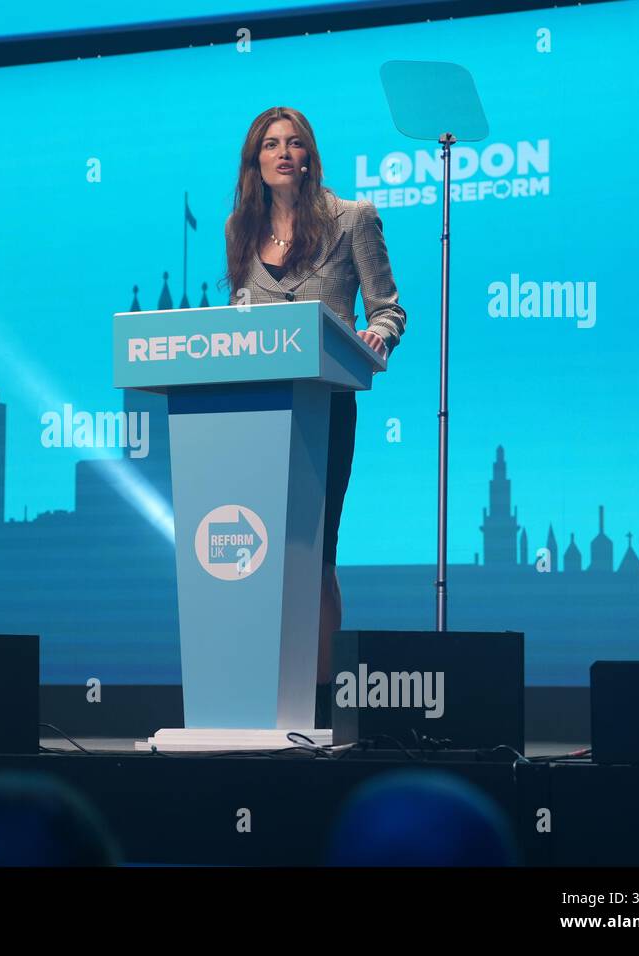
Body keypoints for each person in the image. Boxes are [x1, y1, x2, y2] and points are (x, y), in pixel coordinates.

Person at [225, 106, 407, 728]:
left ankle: (323, 704)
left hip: (324, 408)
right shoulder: (239, 231)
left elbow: (388, 310)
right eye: (270, 144)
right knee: (259, 555)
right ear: (256, 162)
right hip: (255, 416)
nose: (283, 153)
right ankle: (260, 696)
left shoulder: (353, 219)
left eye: (294, 143)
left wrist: (376, 338)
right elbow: (239, 322)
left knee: (314, 554)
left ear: (309, 156)